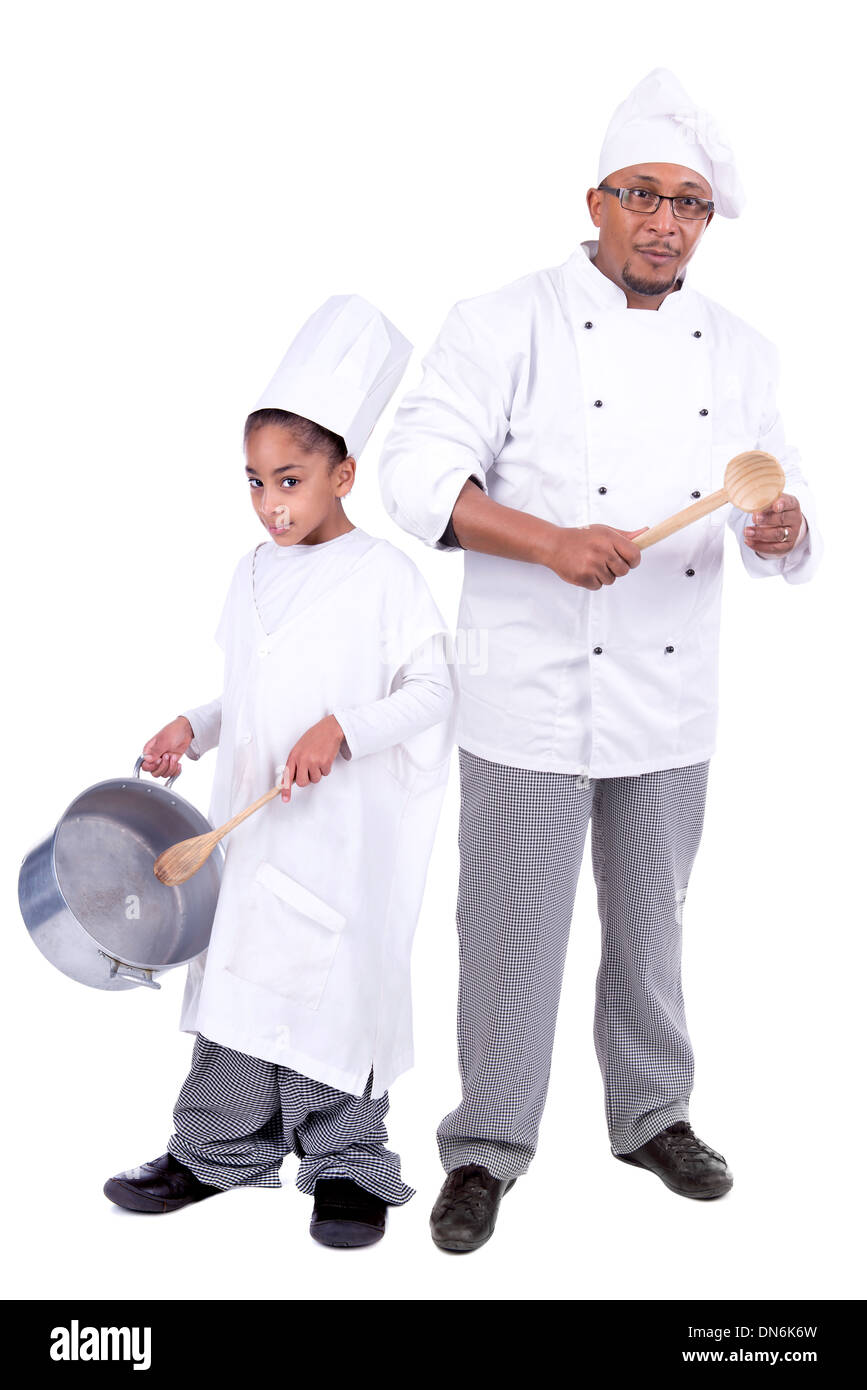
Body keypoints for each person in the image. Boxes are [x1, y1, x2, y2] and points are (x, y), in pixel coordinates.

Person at [378, 68, 823, 1253]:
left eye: (690, 202)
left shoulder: (741, 350)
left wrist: (784, 527)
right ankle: (484, 1147)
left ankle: (653, 1113)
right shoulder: (501, 321)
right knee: (510, 930)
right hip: (526, 693)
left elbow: (775, 485)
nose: (667, 220)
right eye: (645, 195)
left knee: (656, 927)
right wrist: (545, 540)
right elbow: (413, 472)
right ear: (598, 199)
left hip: (671, 698)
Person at [103, 295, 457, 1248]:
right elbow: (246, 692)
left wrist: (343, 726)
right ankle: (215, 1151)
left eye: (291, 480)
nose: (271, 503)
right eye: (255, 482)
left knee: (330, 989)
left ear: (343, 474)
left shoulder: (384, 578)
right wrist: (194, 725)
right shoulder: (251, 572)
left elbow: (431, 691)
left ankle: (346, 1165)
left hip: (339, 837)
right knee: (239, 984)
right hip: (249, 833)